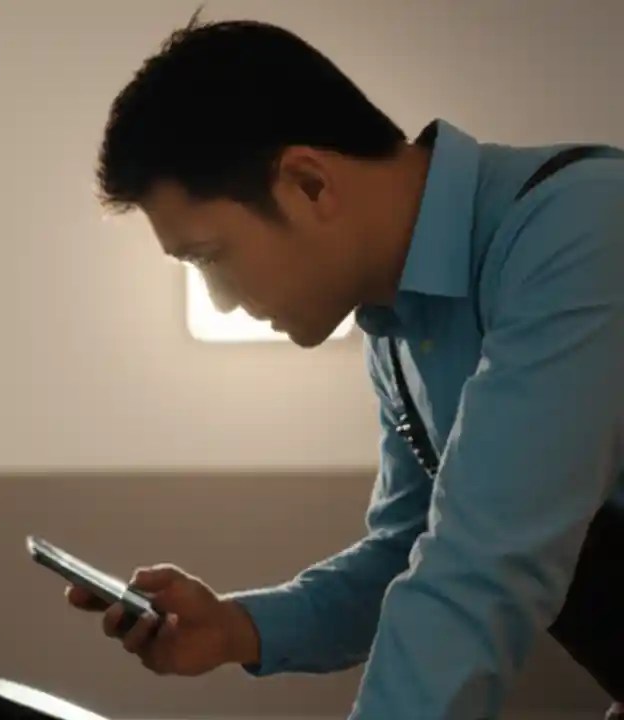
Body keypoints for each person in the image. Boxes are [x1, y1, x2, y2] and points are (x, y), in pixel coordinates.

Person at [71, 10, 624, 720]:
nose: (223, 300)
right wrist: (238, 628)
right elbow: (411, 553)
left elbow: (479, 571)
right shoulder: (394, 329)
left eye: (209, 257)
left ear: (309, 184)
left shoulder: (580, 229)